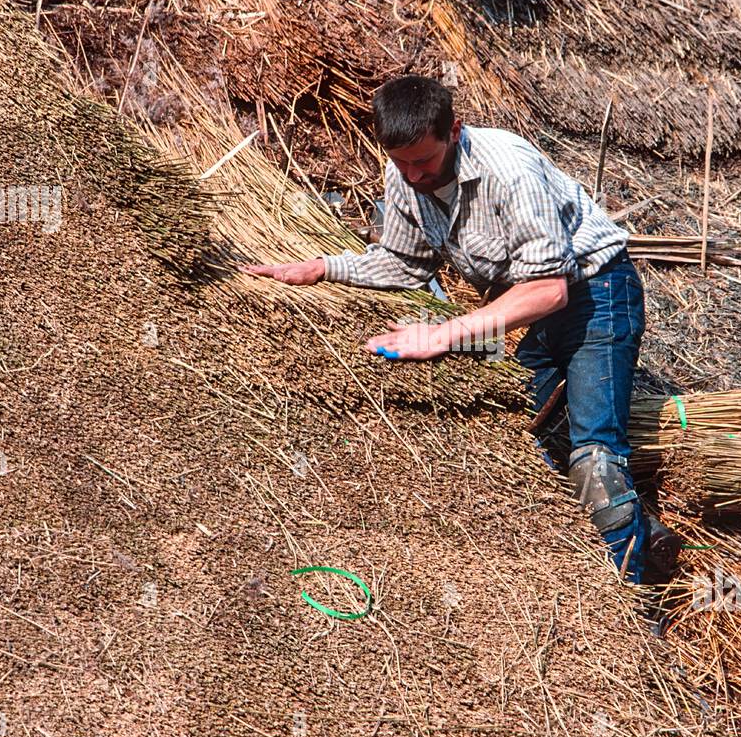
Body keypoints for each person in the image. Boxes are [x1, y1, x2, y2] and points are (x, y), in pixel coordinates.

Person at [242, 75, 680, 587]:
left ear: (453, 131)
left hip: (596, 294)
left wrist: (444, 333)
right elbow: (401, 264)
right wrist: (321, 267)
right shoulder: (404, 174)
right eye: (400, 162)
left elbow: (549, 290)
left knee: (595, 457)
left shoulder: (508, 170)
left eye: (422, 162)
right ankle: (641, 534)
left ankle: (635, 605)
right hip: (528, 310)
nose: (411, 175)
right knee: (530, 440)